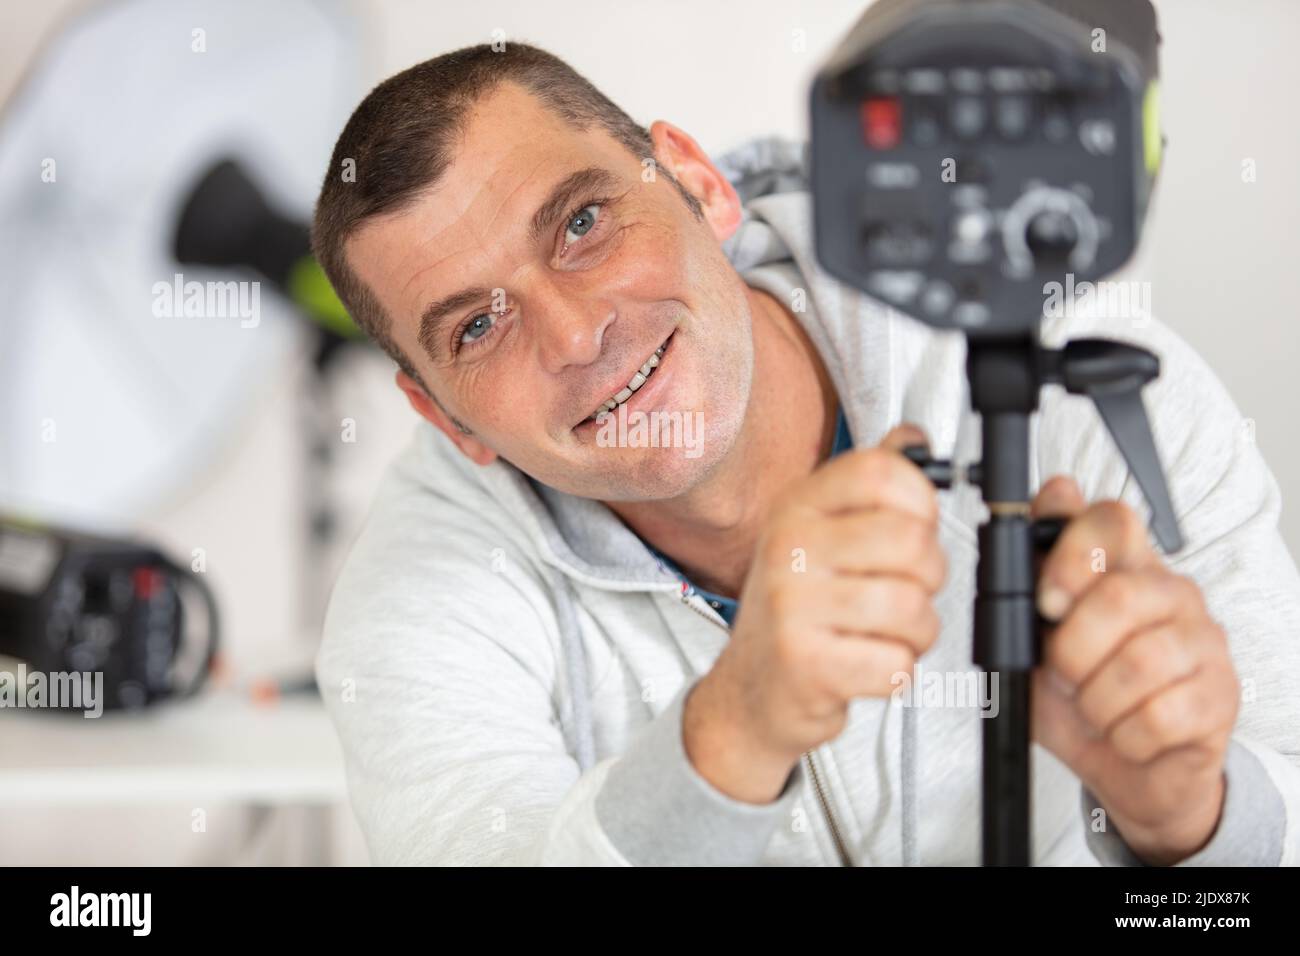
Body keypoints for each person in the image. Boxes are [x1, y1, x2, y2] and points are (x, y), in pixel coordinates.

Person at [311, 43, 1300, 865]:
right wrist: (726, 734)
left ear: (701, 184)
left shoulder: (1091, 390)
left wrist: (1184, 819)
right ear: (448, 422)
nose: (573, 336)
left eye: (582, 223)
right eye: (476, 327)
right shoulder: (417, 598)